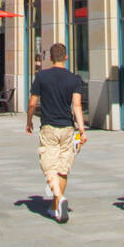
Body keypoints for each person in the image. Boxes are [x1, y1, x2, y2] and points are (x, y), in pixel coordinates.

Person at [26, 42, 85, 224]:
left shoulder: (42, 77)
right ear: (66, 57)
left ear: (50, 58)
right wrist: (82, 129)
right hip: (67, 127)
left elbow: (32, 103)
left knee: (49, 166)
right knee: (63, 168)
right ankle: (55, 207)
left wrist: (29, 121)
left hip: (49, 126)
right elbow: (76, 106)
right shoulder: (74, 79)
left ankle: (59, 198)